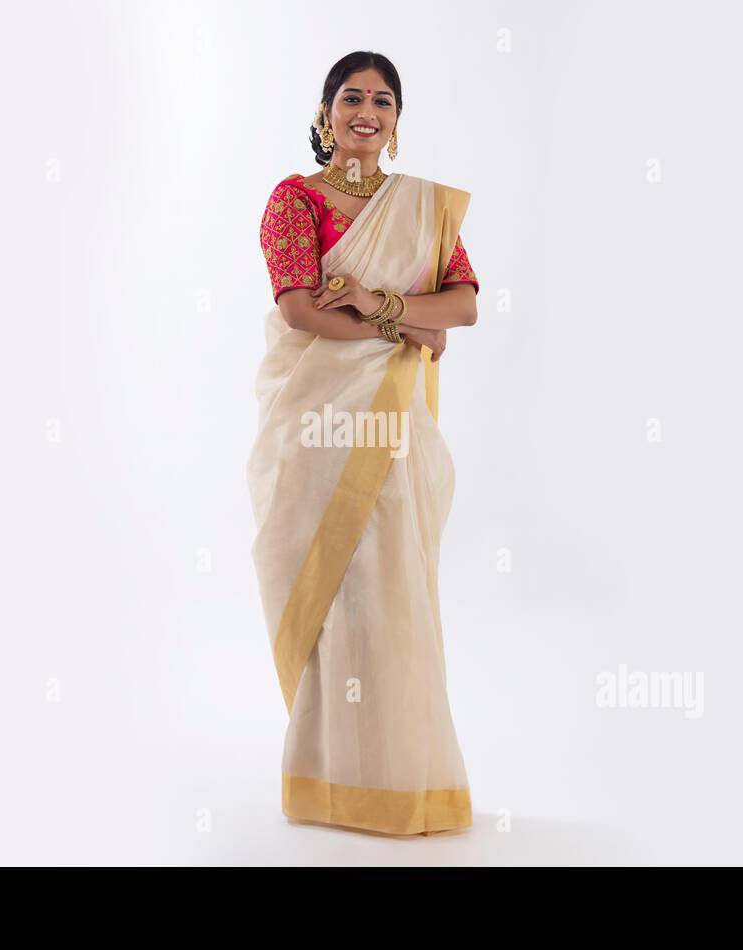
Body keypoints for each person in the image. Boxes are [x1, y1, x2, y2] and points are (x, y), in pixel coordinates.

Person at [249, 51, 479, 836]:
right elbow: (302, 311)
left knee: (393, 584)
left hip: (395, 425)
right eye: (352, 97)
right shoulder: (295, 200)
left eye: (383, 100)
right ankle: (328, 776)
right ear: (325, 113)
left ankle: (399, 776)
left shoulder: (422, 209)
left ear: (397, 122)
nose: (367, 112)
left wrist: (385, 304)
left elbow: (464, 308)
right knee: (335, 581)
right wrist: (410, 322)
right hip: (318, 421)